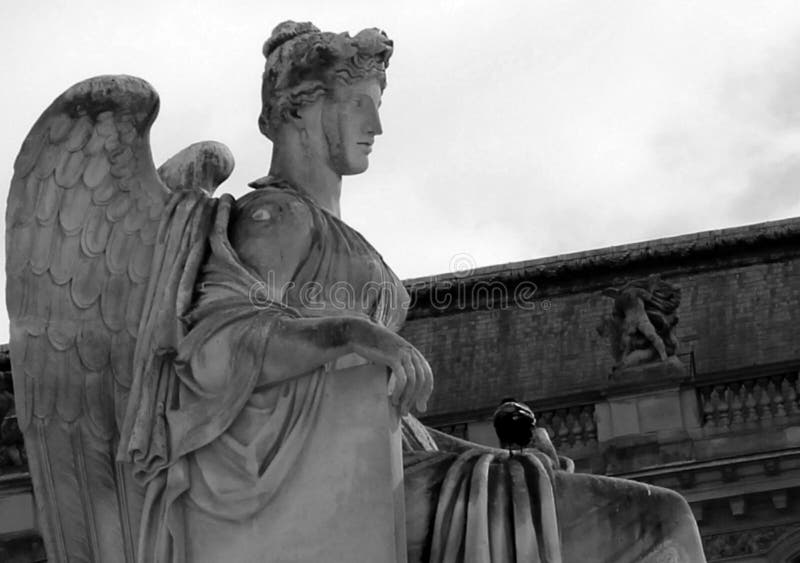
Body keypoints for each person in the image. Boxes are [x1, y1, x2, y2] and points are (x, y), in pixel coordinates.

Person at [131, 20, 706, 562]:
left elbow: (378, 418)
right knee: (661, 523)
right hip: (306, 485)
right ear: (301, 107)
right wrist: (354, 332)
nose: (375, 128)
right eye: (359, 105)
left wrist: (483, 456)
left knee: (592, 501)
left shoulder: (326, 229)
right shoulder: (276, 216)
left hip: (363, 469)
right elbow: (215, 351)